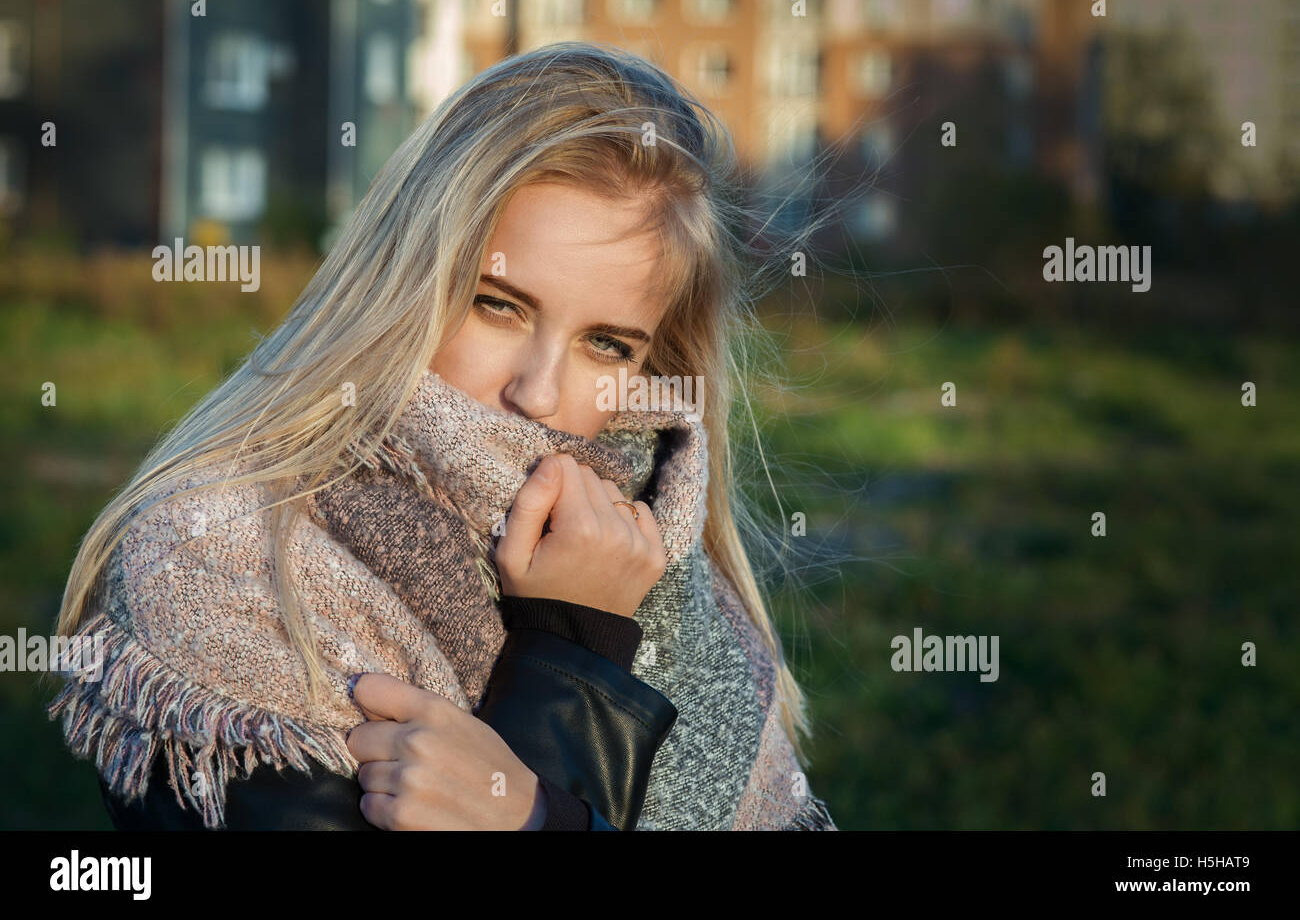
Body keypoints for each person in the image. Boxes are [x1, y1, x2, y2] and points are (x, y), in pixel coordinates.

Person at [47, 41, 837, 831]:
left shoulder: (661, 565)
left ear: (650, 370)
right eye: (499, 305)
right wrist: (574, 655)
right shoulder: (215, 552)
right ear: (404, 285)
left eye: (607, 344)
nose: (537, 394)